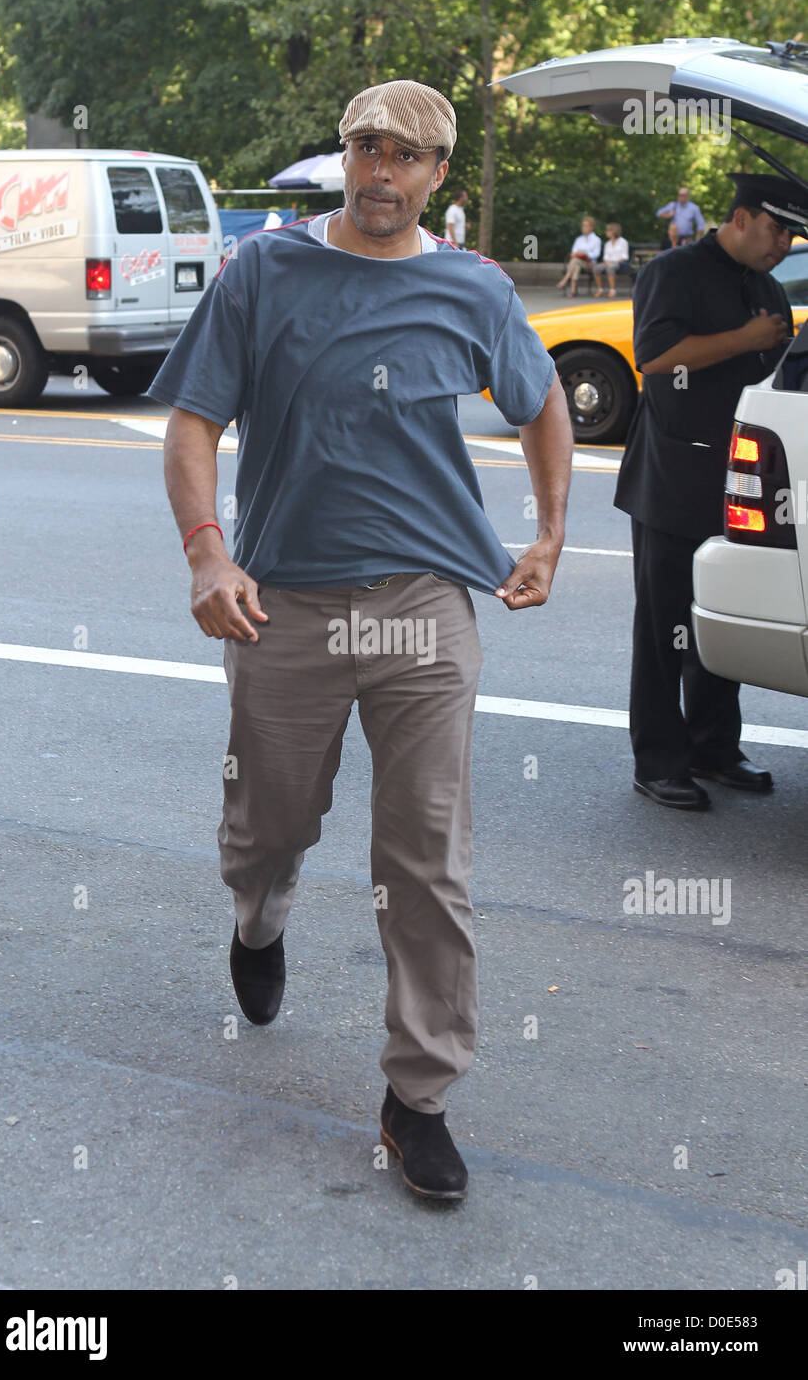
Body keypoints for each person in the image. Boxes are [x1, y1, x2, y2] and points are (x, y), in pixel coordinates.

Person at [147, 79, 573, 1200]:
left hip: (428, 607)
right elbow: (192, 420)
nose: (382, 170)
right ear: (344, 156)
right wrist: (206, 551)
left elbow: (542, 402)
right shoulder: (265, 272)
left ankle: (418, 1097)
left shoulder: (473, 286)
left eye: (408, 155)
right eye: (366, 147)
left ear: (440, 177)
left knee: (426, 854)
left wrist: (551, 531)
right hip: (281, 599)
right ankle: (260, 907)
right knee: (274, 820)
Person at [614, 172, 808, 810]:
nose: (783, 244)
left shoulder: (769, 288)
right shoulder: (673, 271)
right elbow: (655, 357)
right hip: (673, 476)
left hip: (741, 480)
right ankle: (660, 760)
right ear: (743, 217)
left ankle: (715, 748)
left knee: (716, 622)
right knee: (664, 625)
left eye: (792, 235)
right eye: (777, 230)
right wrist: (746, 340)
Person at [556, 215, 601, 296]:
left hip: (589, 263)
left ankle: (565, 280)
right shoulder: (579, 239)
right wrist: (578, 254)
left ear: (591, 227)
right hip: (578, 261)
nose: (584, 227)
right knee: (576, 263)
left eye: (586, 226)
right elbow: (573, 252)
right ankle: (572, 291)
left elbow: (596, 254)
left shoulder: (596, 240)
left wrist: (586, 254)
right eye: (583, 225)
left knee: (575, 261)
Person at [593, 222, 630, 297]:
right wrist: (607, 261)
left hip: (620, 263)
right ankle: (600, 289)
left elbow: (625, 256)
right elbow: (605, 256)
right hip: (608, 262)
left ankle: (612, 290)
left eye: (608, 231)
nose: (606, 232)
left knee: (610, 267)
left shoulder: (623, 242)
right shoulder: (607, 243)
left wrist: (614, 262)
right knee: (597, 268)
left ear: (614, 232)